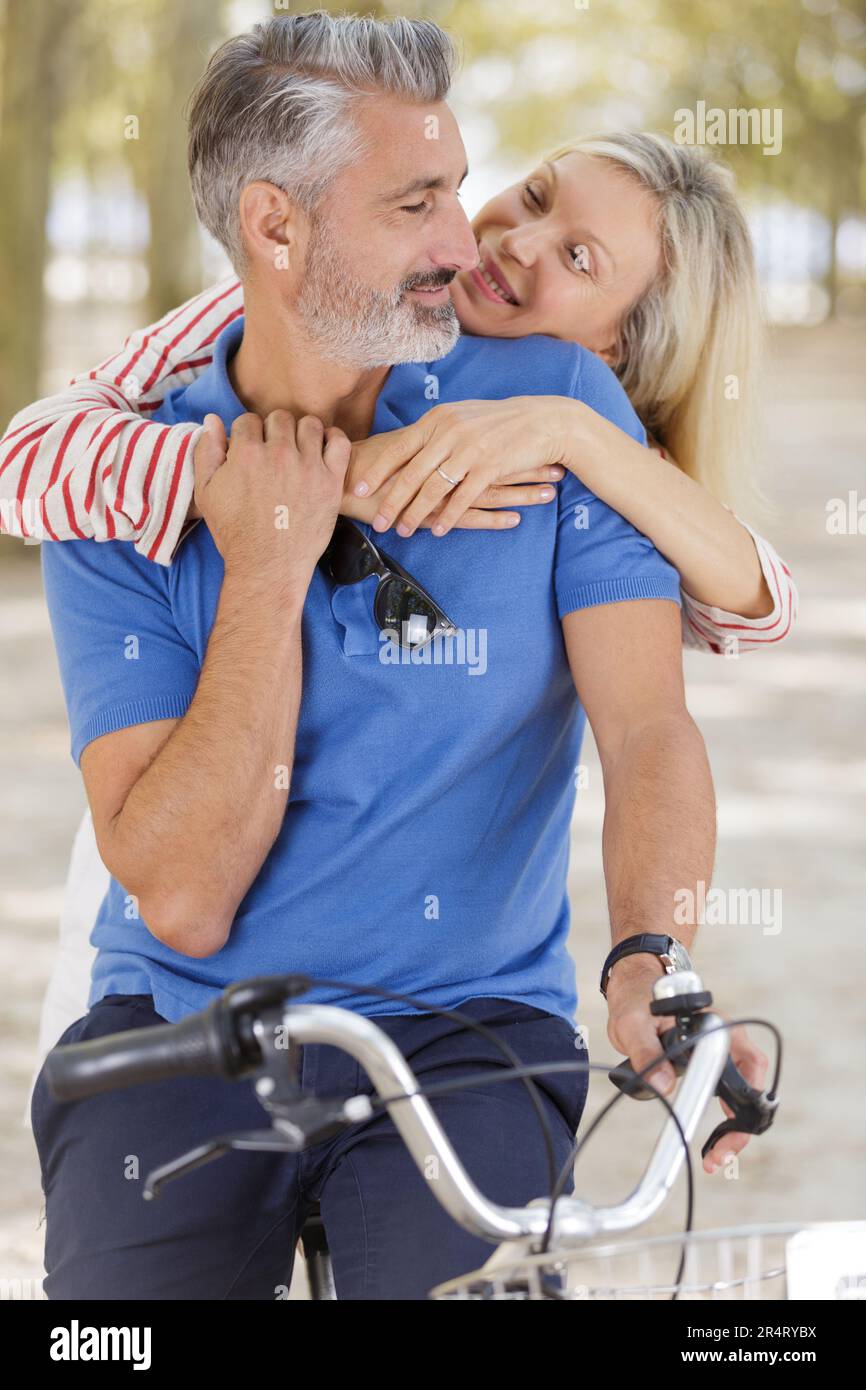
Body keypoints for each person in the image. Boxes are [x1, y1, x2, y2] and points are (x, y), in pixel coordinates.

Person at [27, 12, 762, 1300]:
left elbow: (651, 726)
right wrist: (266, 559)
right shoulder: (118, 474)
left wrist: (656, 956)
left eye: (460, 187)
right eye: (419, 202)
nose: (466, 244)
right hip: (183, 1027)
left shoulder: (560, 414)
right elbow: (187, 898)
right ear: (275, 228)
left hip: (470, 1031)